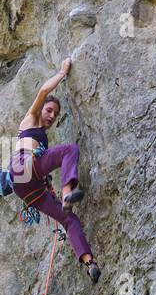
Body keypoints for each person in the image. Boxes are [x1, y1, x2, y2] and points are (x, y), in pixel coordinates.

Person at [9, 57, 100, 283]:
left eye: (55, 115)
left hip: (28, 190)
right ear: (41, 109)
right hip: (21, 167)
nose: (51, 116)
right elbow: (43, 90)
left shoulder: (41, 140)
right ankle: (68, 192)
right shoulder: (29, 120)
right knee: (70, 150)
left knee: (68, 219)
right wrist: (62, 72)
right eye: (49, 110)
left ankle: (90, 263)